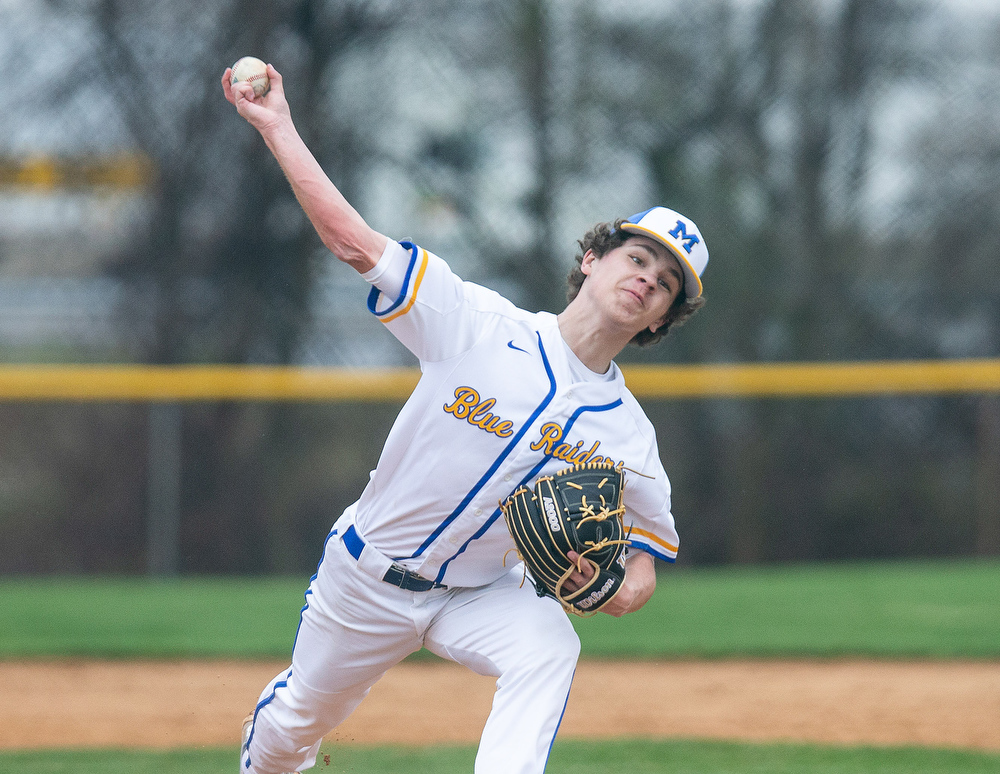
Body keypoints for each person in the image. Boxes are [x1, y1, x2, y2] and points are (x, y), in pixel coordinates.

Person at [222, 63, 708, 774]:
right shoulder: (477, 323)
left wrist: (609, 587)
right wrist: (279, 128)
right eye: (637, 258)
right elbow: (354, 242)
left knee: (549, 649)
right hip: (367, 578)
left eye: (666, 284)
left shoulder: (626, 432)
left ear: (663, 317)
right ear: (594, 258)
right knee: (298, 725)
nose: (647, 280)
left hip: (482, 592)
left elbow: (645, 562)